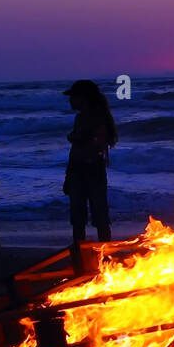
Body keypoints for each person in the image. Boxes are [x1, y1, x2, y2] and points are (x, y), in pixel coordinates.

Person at [62, 78, 116, 245]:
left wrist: (74, 137)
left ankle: (102, 254)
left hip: (89, 170)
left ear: (83, 98)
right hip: (83, 170)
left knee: (92, 217)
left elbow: (84, 141)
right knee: (88, 216)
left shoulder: (95, 118)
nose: (70, 100)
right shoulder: (86, 117)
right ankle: (93, 254)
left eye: (73, 97)